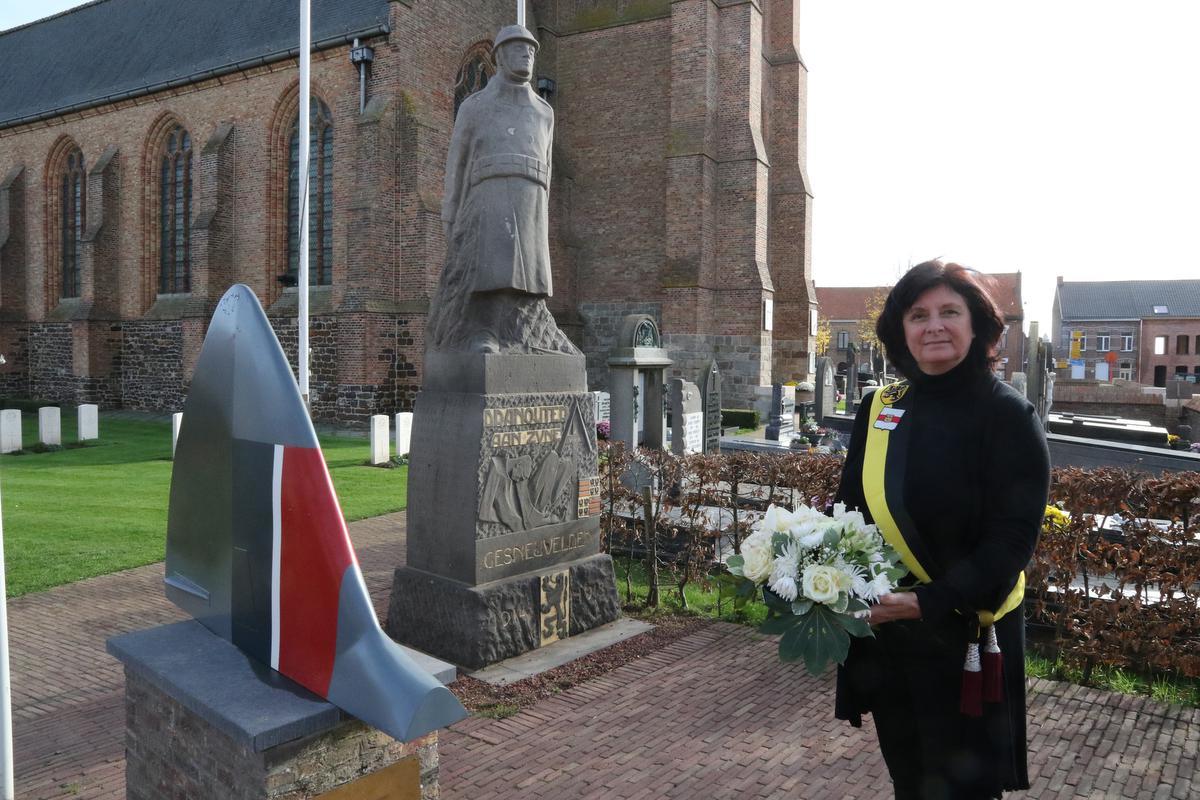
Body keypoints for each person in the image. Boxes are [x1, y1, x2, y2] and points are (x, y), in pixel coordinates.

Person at [834, 260, 1050, 799]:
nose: (934, 325)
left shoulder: (1007, 416)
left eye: (949, 312)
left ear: (977, 325)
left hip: (967, 640)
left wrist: (926, 602)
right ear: (900, 330)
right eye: (918, 314)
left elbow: (1012, 541)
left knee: (966, 790)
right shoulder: (879, 408)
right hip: (889, 638)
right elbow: (848, 511)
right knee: (909, 780)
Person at [428, 24, 578, 355]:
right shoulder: (475, 106)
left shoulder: (544, 112)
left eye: (532, 50)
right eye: (518, 48)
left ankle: (524, 334)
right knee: (489, 267)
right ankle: (482, 331)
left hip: (531, 198)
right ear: (499, 55)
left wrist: (542, 212)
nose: (527, 54)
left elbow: (549, 166)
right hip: (489, 194)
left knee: (529, 277)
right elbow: (457, 164)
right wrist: (450, 212)